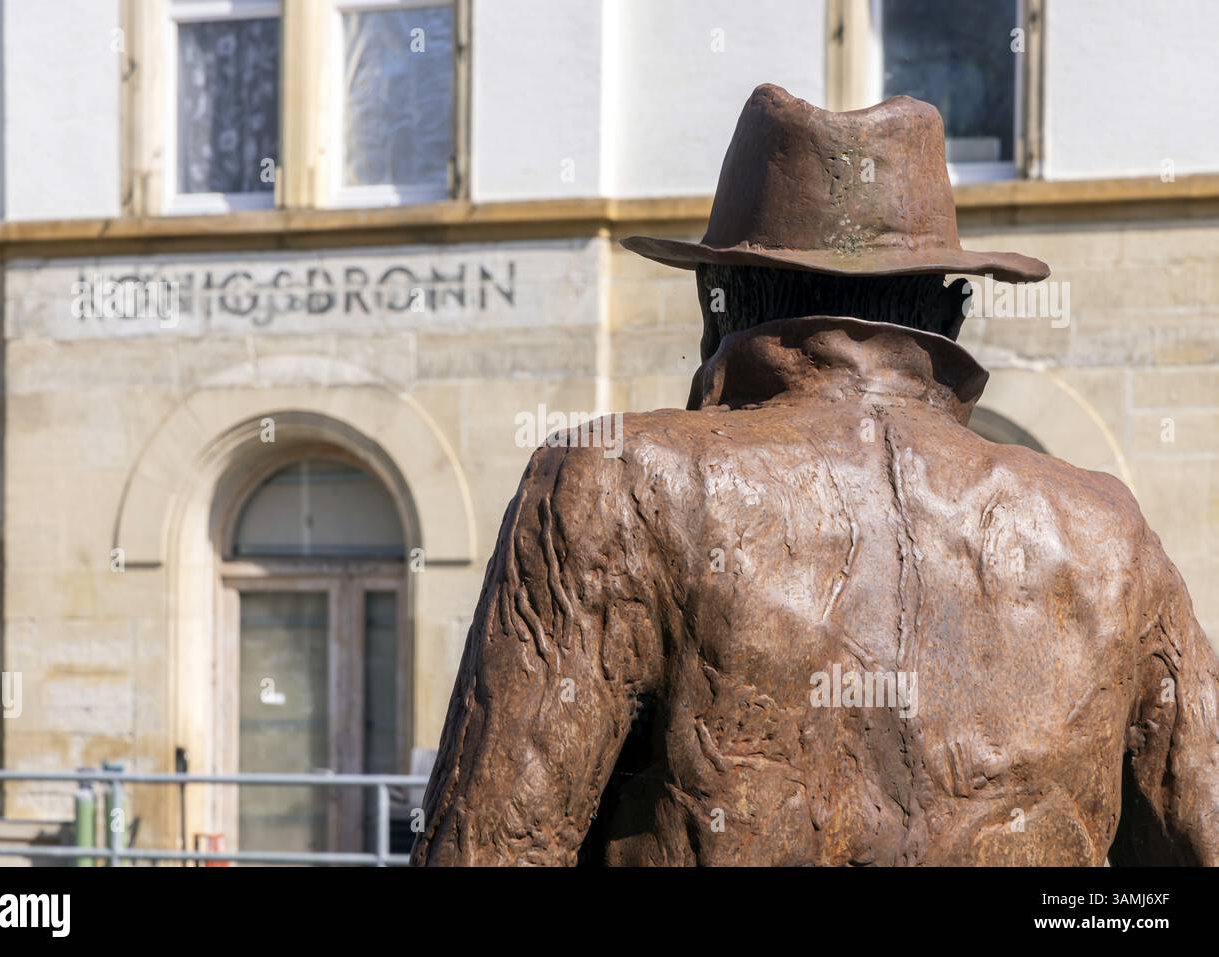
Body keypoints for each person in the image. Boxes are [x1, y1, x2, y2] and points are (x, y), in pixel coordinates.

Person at [412, 85, 1219, 866]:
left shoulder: (616, 482)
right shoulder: (1107, 533)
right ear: (953, 315)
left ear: (714, 303)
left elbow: (491, 847)